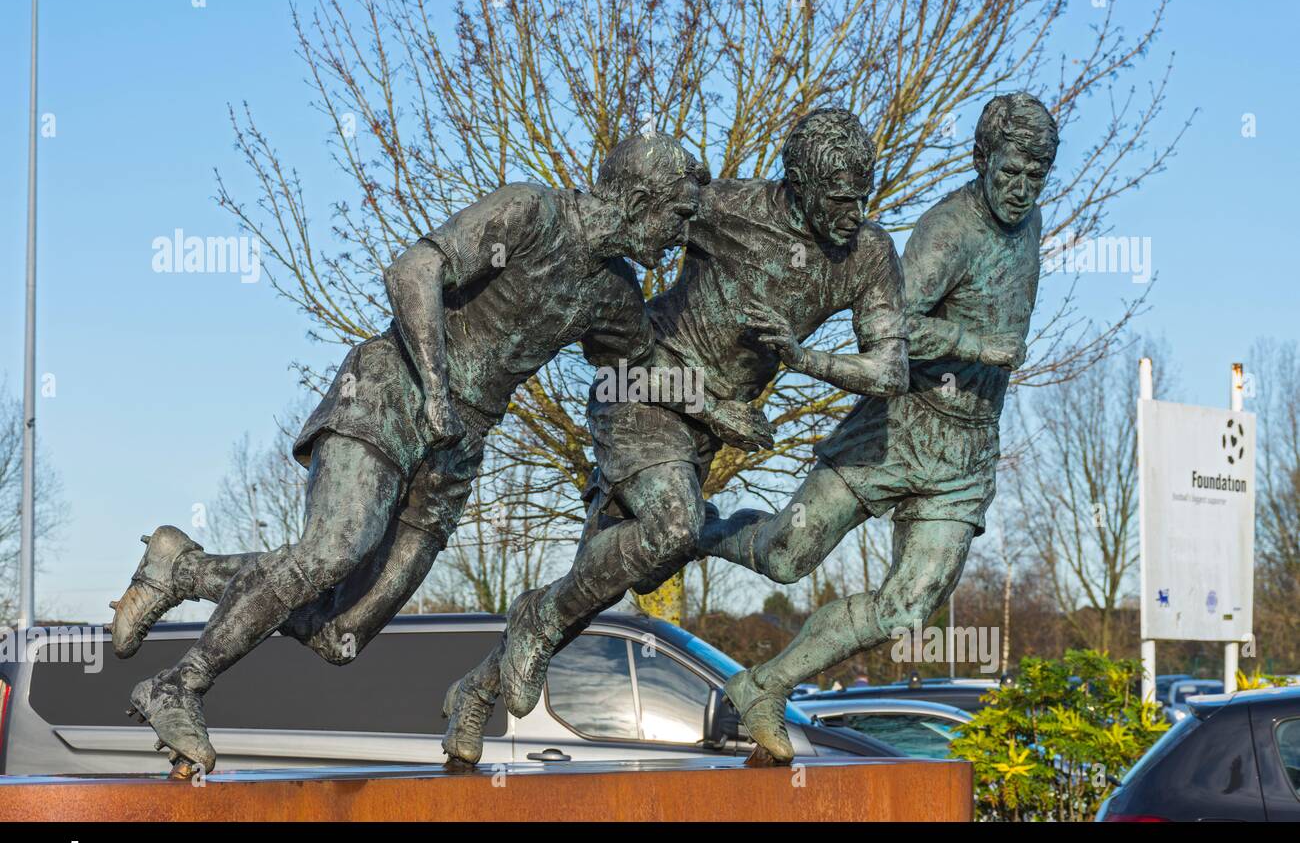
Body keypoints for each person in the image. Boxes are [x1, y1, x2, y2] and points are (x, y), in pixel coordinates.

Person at [113, 133, 769, 776]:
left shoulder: (614, 293)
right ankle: (178, 686)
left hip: (458, 450)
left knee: (341, 632)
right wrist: (434, 388)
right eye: (678, 217)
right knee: (332, 550)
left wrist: (718, 410)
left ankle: (184, 566)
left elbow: (640, 367)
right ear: (641, 197)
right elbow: (413, 268)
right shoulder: (531, 212)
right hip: (392, 390)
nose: (680, 235)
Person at [442, 107, 911, 766]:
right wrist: (531, 305)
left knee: (595, 585)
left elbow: (890, 370)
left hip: (702, 433)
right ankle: (537, 622)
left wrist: (803, 360)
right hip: (642, 388)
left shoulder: (868, 253)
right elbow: (630, 214)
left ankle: (474, 688)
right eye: (838, 196)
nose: (853, 210)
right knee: (678, 525)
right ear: (796, 182)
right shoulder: (728, 208)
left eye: (864, 193)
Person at [699, 93, 1059, 761]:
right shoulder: (947, 231)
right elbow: (892, 336)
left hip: (965, 454)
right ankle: (691, 531)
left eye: (1036, 176)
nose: (1021, 188)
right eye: (1009, 172)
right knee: (786, 556)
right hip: (897, 428)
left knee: (906, 610)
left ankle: (764, 686)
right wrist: (977, 346)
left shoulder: (1032, 223)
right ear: (980, 159)